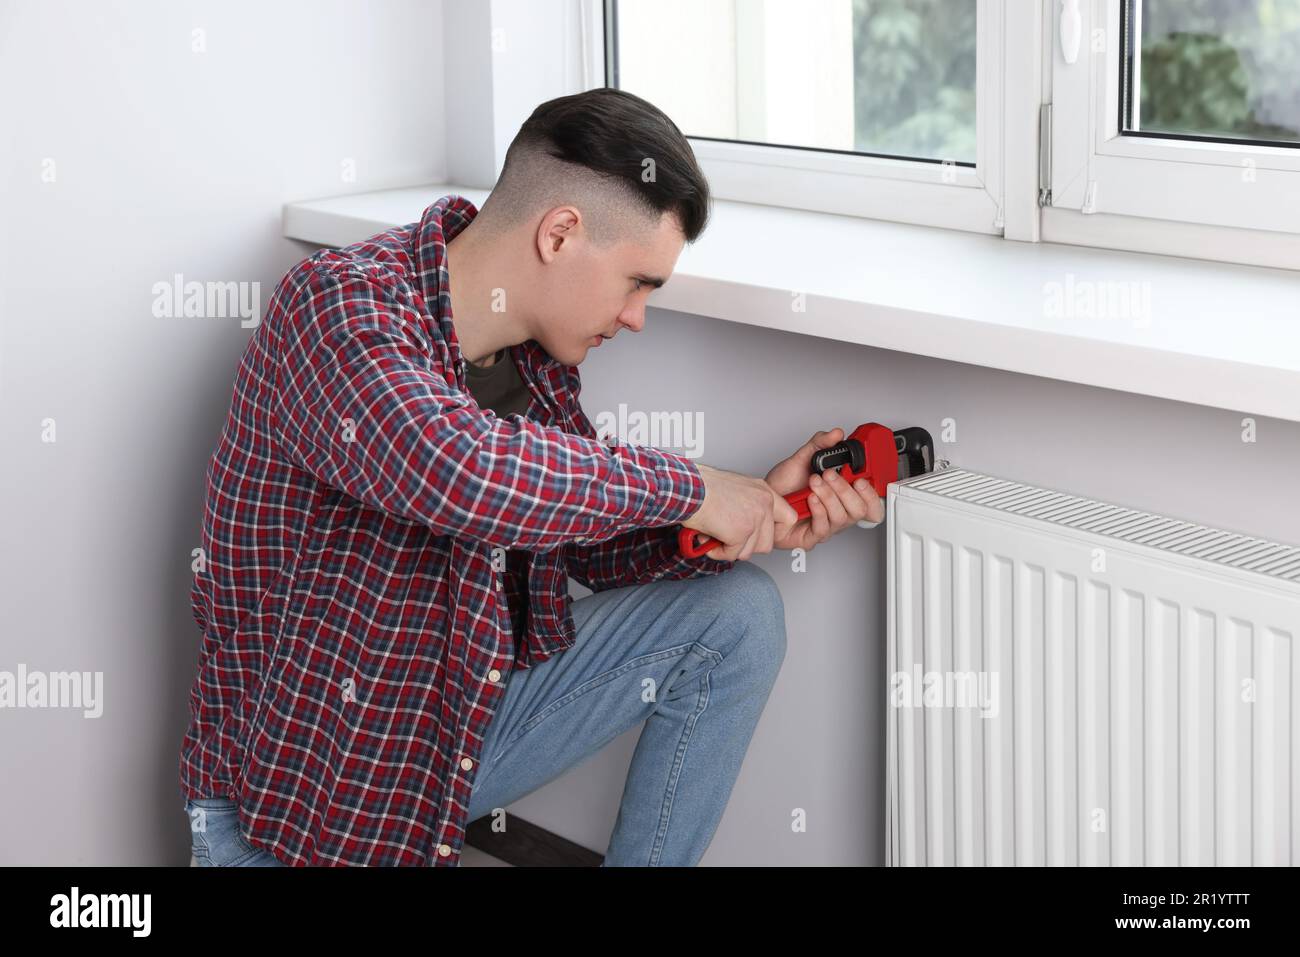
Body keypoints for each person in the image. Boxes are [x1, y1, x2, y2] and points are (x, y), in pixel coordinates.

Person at [179, 88, 883, 867]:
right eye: (638, 282)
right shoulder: (341, 310)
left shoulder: (534, 365)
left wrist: (747, 514)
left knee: (739, 613)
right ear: (560, 233)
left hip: (441, 741)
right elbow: (460, 470)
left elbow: (588, 545)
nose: (637, 316)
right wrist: (696, 487)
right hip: (302, 801)